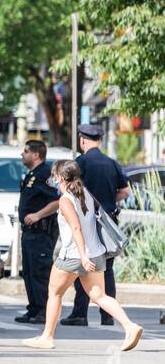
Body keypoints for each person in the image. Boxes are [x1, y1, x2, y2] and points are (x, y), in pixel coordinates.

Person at [23, 160, 142, 351]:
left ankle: (47, 336)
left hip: (74, 255)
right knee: (99, 295)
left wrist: (82, 256)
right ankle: (130, 326)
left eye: (54, 175)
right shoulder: (85, 193)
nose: (52, 179)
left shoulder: (66, 199)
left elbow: (76, 228)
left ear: (61, 177)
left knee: (54, 292)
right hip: (96, 252)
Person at [62, 123, 129, 327]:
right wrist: (107, 201)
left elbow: (70, 191)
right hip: (108, 223)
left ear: (82, 140)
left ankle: (79, 314)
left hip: (86, 223)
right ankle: (108, 315)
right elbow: (125, 192)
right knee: (106, 270)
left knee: (84, 267)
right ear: (99, 140)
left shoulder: (79, 163)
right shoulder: (112, 163)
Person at [13, 139, 61, 324]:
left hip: (42, 233)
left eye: (25, 151)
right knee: (30, 272)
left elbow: (57, 201)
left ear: (36, 154)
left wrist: (38, 215)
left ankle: (43, 311)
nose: (22, 154)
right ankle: (33, 309)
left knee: (40, 273)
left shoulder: (45, 174)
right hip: (30, 232)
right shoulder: (32, 174)